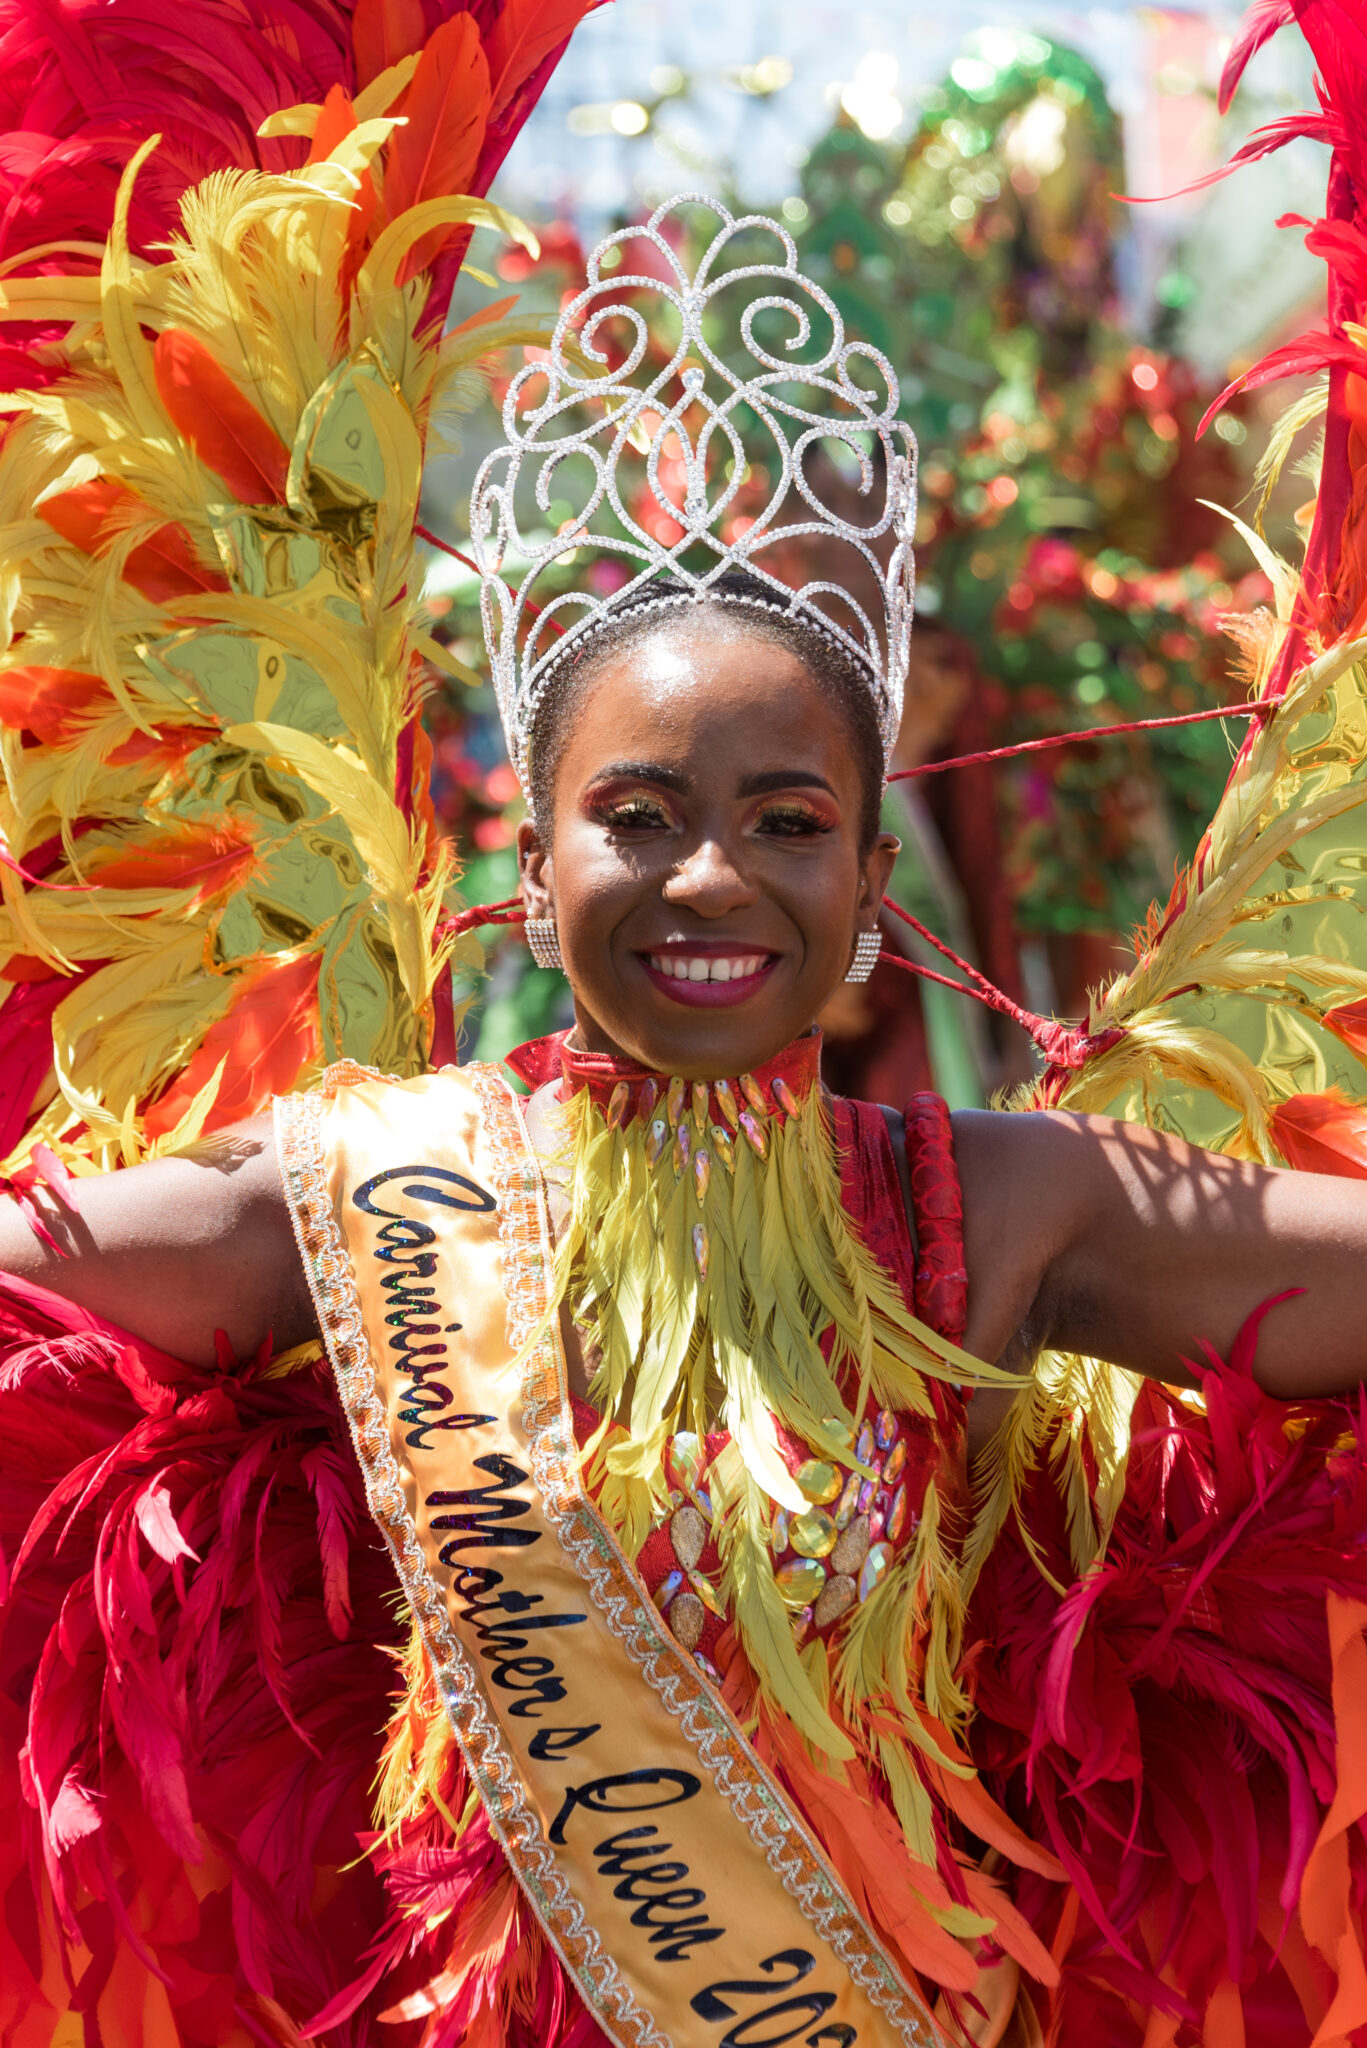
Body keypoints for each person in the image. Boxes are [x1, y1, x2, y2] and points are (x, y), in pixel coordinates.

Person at [6, 42, 1367, 2048]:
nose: (710, 876)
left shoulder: (991, 1205)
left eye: (787, 821)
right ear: (530, 862)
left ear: (869, 876)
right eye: (636, 817)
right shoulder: (363, 1182)